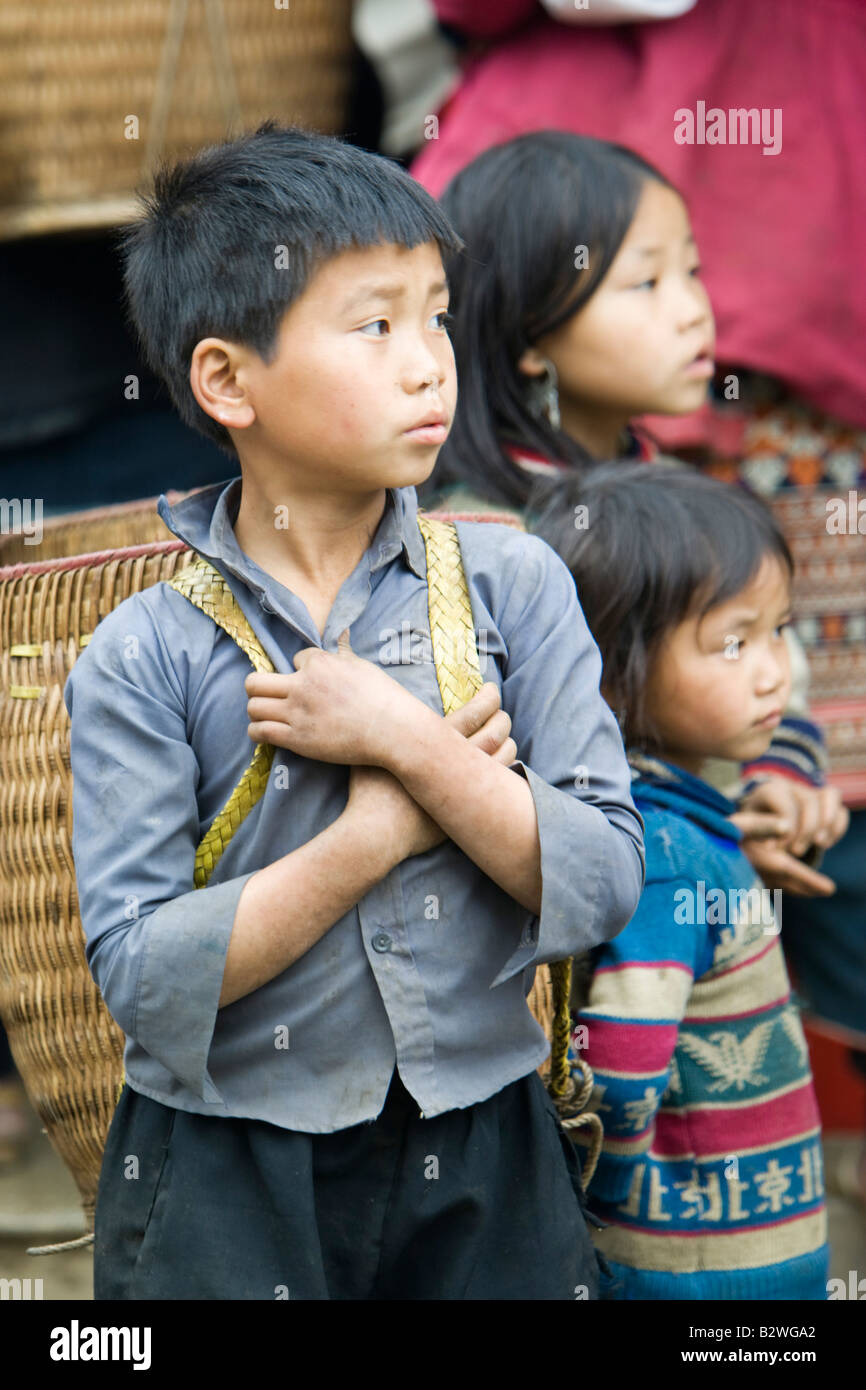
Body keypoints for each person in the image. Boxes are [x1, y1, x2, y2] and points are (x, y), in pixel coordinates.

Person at [62, 122, 645, 1300]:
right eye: (374, 325)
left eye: (435, 315)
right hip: (230, 1170)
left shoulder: (510, 582)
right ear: (228, 379)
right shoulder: (144, 653)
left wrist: (410, 744)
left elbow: (599, 882)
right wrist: (386, 827)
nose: (429, 361)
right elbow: (143, 974)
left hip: (485, 1140)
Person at [418, 130, 848, 905]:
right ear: (530, 336)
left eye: (692, 272)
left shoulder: (678, 492)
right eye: (646, 284)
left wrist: (775, 784)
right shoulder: (482, 541)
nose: (694, 313)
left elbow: (767, 661)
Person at [532, 462, 830, 1299]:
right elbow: (623, 1068)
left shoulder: (689, 820)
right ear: (616, 666)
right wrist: (603, 1202)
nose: (775, 670)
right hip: (701, 1264)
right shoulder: (664, 850)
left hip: (745, 1241)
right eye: (736, 642)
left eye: (780, 631)